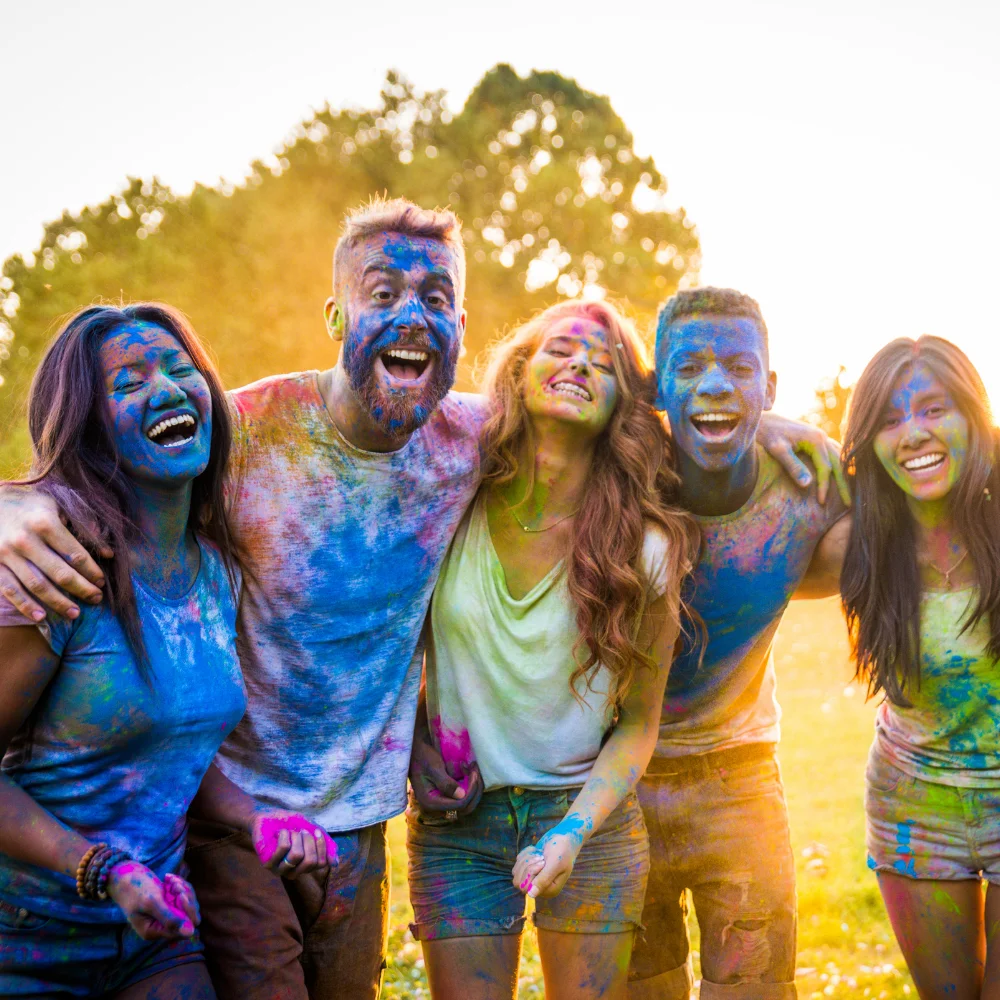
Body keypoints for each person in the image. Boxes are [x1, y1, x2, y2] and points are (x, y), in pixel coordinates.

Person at [0, 200, 844, 1000]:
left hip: (361, 829)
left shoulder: (471, 440)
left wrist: (774, 426)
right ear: (334, 318)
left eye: (435, 297)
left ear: (463, 331)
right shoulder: (244, 429)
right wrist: (16, 502)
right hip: (238, 816)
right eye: (382, 294)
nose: (411, 314)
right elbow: (104, 452)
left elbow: (649, 417)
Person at [0, 304, 328, 1000]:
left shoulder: (216, 572)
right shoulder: (59, 572)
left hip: (151, 936)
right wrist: (102, 869)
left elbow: (167, 746)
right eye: (129, 382)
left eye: (183, 369)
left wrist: (255, 817)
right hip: (21, 940)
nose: (168, 388)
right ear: (89, 426)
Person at [406, 299, 697, 1000]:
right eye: (560, 350)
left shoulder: (646, 550)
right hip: (458, 826)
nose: (580, 365)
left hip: (586, 823)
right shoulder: (448, 502)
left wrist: (572, 831)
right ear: (518, 370)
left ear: (622, 405)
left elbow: (637, 724)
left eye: (603, 364)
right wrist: (413, 743)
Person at [626, 288, 849, 999]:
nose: (715, 383)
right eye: (688, 367)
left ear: (769, 384)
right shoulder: (617, 481)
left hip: (740, 780)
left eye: (738, 368)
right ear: (656, 387)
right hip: (612, 784)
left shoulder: (810, 491)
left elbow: (902, 499)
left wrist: (794, 431)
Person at [804, 336, 1000, 997]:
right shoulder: (857, 546)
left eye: (934, 408)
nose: (913, 433)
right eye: (890, 418)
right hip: (914, 807)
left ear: (973, 415)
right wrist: (777, 426)